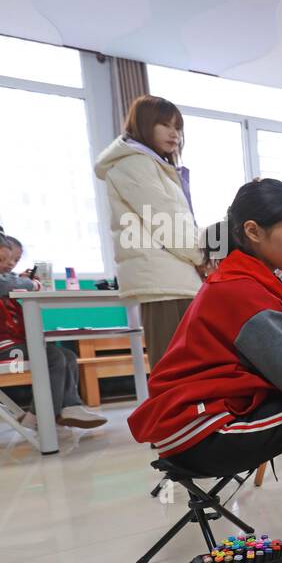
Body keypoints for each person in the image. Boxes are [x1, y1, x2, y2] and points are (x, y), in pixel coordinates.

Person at [126, 180, 282, 553]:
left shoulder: (241, 280)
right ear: (253, 231)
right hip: (202, 436)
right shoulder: (243, 292)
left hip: (191, 427)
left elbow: (280, 361)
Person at [94, 94, 206, 366]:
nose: (174, 134)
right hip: (164, 281)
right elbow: (167, 223)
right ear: (144, 125)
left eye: (178, 127)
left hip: (173, 278)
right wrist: (205, 258)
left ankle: (190, 410)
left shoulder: (153, 165)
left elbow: (178, 221)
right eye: (165, 125)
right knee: (173, 367)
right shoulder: (135, 163)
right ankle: (174, 411)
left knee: (183, 364)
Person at [0, 227, 106, 430]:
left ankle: (68, 407)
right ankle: (40, 417)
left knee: (65, 354)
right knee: (53, 357)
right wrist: (28, 284)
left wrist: (21, 282)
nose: (0, 266)